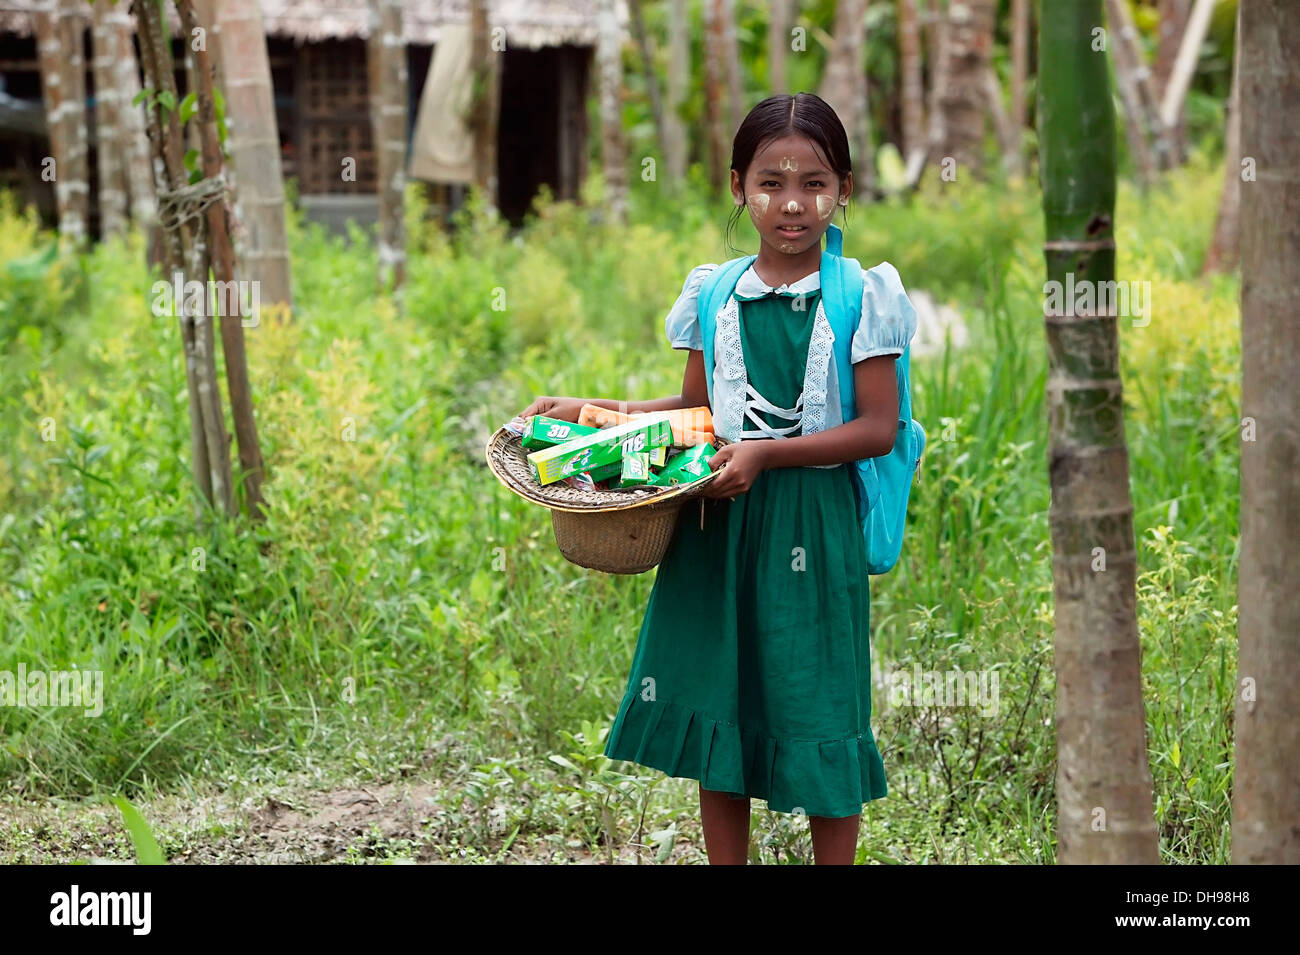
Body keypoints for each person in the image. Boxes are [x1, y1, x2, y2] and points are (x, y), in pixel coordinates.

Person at [517, 92, 917, 865]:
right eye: (771, 182)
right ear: (738, 186)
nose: (793, 203)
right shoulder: (715, 291)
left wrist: (767, 454)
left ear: (845, 190)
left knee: (818, 700)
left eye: (814, 183)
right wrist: (602, 411)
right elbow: (701, 410)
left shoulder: (864, 295)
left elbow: (877, 428)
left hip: (811, 525)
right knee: (721, 702)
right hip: (716, 528)